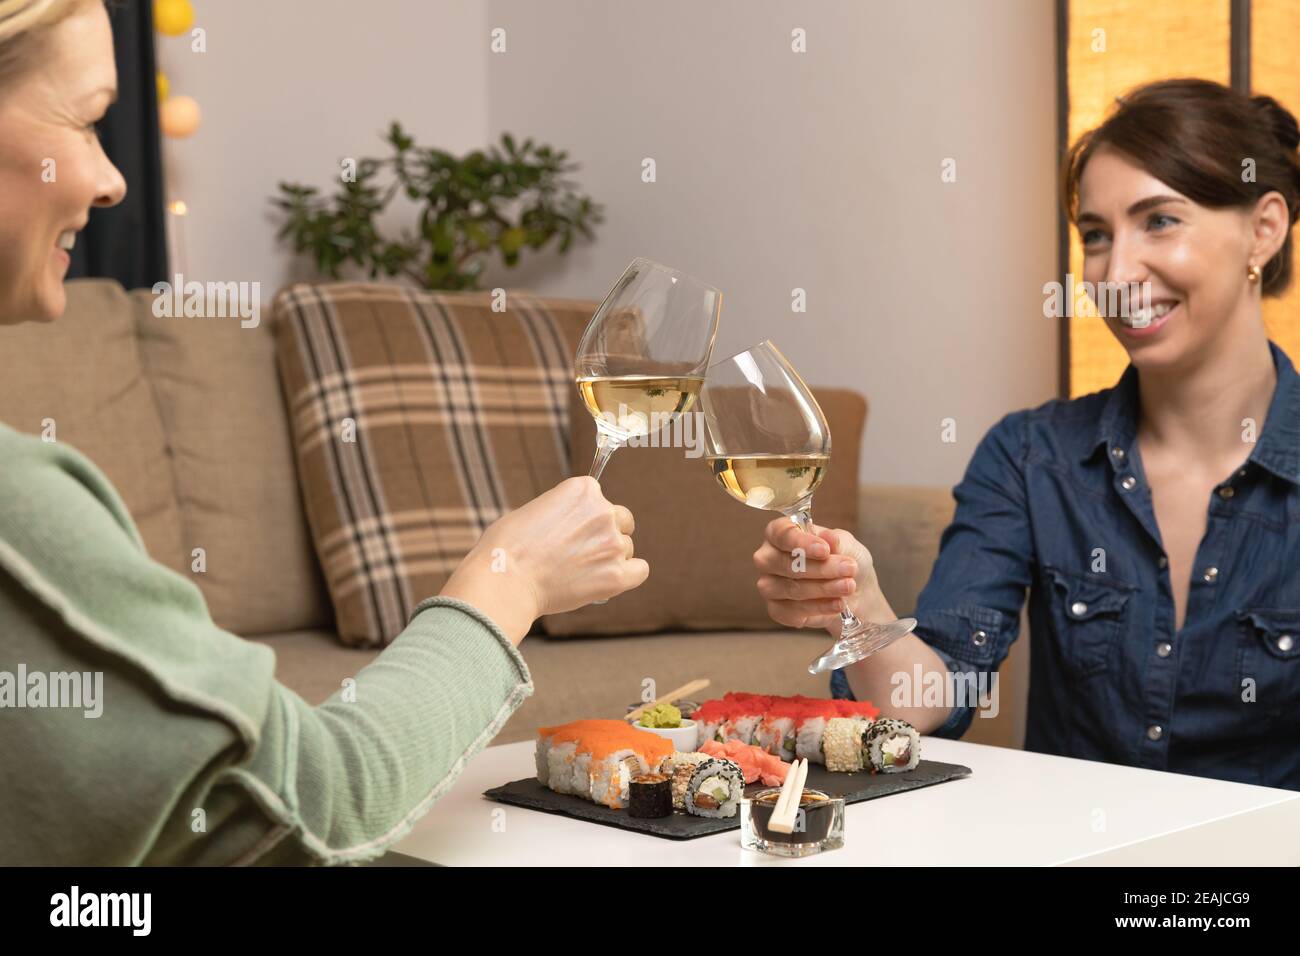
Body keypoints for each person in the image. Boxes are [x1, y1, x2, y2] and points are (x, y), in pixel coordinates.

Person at [0, 0, 648, 864]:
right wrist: (513, 575)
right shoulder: (22, 506)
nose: (114, 179)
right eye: (85, 121)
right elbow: (327, 799)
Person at [756, 77, 1300, 792]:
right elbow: (924, 702)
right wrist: (858, 607)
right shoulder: (1030, 456)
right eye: (1097, 236)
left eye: (1160, 221)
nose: (1116, 271)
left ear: (1264, 228)